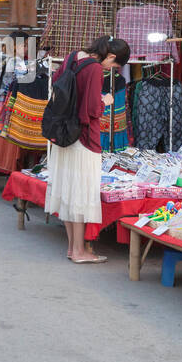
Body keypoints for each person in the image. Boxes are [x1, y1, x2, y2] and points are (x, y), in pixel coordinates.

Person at [45, 36, 130, 264]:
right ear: (111, 56)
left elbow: (56, 82)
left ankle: (74, 248)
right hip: (84, 138)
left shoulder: (73, 56)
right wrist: (107, 101)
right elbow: (92, 110)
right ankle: (80, 251)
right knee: (81, 195)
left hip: (65, 135)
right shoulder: (94, 69)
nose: (112, 70)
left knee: (70, 194)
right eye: (115, 66)